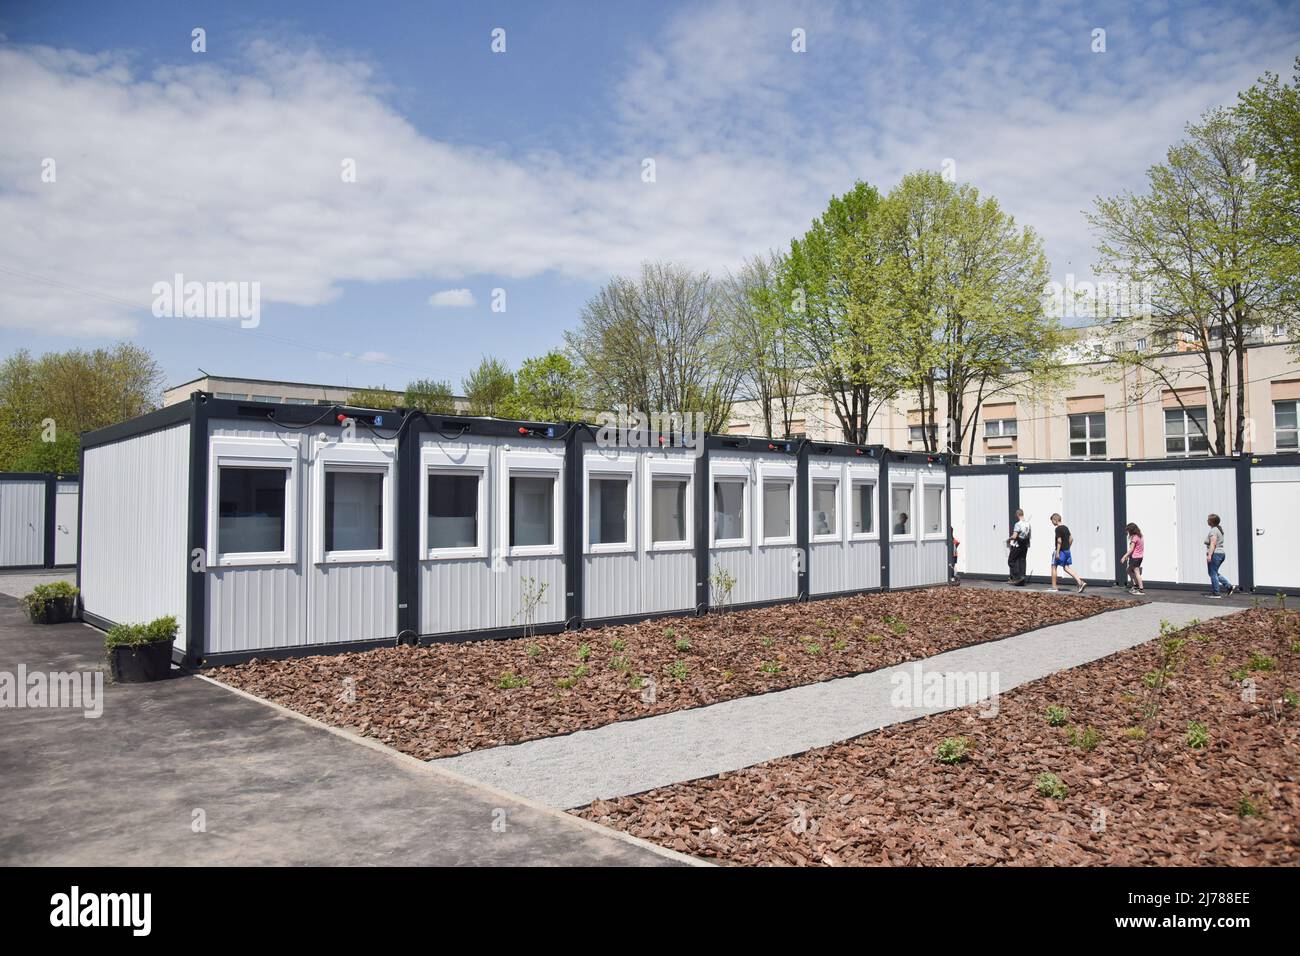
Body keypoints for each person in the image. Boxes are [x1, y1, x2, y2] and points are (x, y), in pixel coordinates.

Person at [1047, 513, 1087, 594]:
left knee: (1053, 566)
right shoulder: (1066, 528)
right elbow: (1071, 539)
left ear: (1055, 520)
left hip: (1060, 551)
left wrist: (1058, 552)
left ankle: (1054, 587)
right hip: (1067, 551)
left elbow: (1059, 541)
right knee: (1066, 567)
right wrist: (1067, 547)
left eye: (1052, 521)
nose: (1052, 523)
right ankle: (1080, 582)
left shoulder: (1058, 529)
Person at [1206, 513, 1236, 599]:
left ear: (1211, 521)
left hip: (1215, 553)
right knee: (1214, 573)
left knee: (1212, 574)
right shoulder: (1217, 530)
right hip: (1220, 553)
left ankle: (1216, 593)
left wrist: (1210, 555)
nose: (1207, 521)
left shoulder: (1214, 531)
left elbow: (1213, 543)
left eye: (1208, 520)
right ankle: (1229, 586)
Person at [1007, 508, 1030, 586]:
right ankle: (1022, 577)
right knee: (1022, 561)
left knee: (1011, 561)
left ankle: (1017, 577)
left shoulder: (1018, 524)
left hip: (1018, 544)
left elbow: (1014, 536)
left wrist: (1008, 539)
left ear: (1017, 515)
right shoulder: (1028, 524)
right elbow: (1029, 535)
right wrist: (1028, 544)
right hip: (1025, 545)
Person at [1120, 522, 1145, 595]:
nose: (1128, 532)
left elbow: (1131, 549)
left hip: (1135, 558)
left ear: (1131, 530)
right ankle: (1136, 586)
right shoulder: (1140, 536)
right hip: (1139, 557)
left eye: (1128, 531)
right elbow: (1135, 549)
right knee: (1128, 570)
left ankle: (1140, 589)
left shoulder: (1134, 538)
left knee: (1136, 572)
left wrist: (1124, 556)